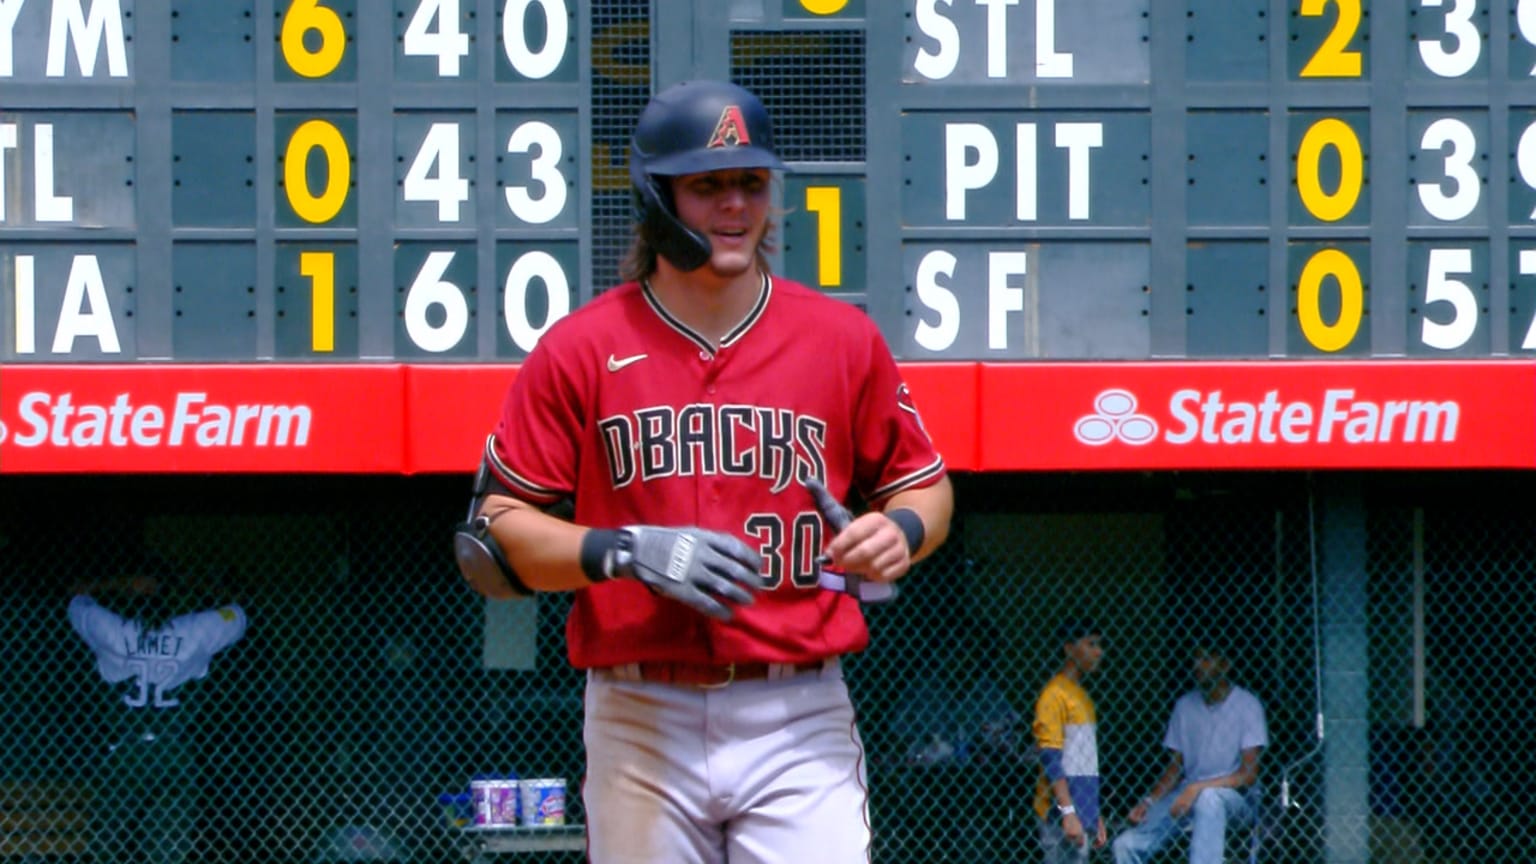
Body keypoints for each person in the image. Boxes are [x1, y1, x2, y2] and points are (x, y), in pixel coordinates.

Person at [462, 79, 953, 863]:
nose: (735, 206)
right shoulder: (582, 347)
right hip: (638, 713)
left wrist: (899, 531)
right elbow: (491, 538)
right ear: (657, 199)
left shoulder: (839, 337)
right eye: (707, 186)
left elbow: (925, 485)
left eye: (751, 182)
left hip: (797, 709)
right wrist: (623, 550)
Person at [67, 555, 249, 864]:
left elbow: (76, 596)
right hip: (172, 747)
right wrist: (190, 584)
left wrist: (121, 584)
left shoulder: (112, 629)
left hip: (125, 746)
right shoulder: (194, 630)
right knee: (167, 846)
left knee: (108, 841)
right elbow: (240, 608)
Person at [1111, 640, 1268, 864]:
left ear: (1225, 665)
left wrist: (1197, 788)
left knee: (1209, 799)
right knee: (1124, 846)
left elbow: (1248, 774)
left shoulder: (1248, 705)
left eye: (1206, 659)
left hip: (1234, 800)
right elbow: (1174, 769)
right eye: (1196, 658)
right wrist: (1147, 802)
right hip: (1186, 797)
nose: (1198, 665)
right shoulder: (1184, 706)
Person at [1032, 620, 1107, 863]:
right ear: (1069, 650)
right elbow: (1051, 757)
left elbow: (1084, 762)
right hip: (1059, 813)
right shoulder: (1054, 695)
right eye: (1091, 644)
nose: (1099, 652)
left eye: (1100, 644)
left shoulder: (1083, 696)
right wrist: (1068, 812)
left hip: (1079, 810)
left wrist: (1092, 813)